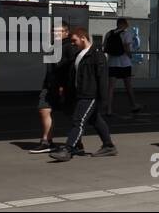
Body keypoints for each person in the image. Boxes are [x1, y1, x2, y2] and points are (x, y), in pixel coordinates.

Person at [50, 27, 117, 160]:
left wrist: (103, 100)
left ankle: (68, 149)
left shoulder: (97, 55)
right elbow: (71, 74)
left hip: (89, 95)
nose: (72, 43)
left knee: (78, 121)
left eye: (74, 40)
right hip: (79, 94)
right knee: (95, 120)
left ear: (83, 38)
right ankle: (108, 146)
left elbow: (102, 79)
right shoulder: (78, 55)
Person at [29, 22, 82, 155]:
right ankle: (46, 142)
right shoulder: (53, 47)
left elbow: (73, 68)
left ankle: (77, 143)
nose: (55, 34)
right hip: (49, 86)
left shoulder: (70, 47)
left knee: (71, 115)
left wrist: (64, 86)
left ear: (66, 33)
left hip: (63, 87)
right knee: (43, 109)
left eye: (58, 31)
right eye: (53, 31)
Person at [103, 17, 144, 117]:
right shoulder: (126, 34)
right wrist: (130, 56)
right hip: (125, 63)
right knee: (128, 86)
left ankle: (109, 109)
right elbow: (126, 48)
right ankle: (133, 105)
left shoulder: (109, 34)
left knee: (111, 87)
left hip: (112, 63)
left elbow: (105, 47)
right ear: (124, 24)